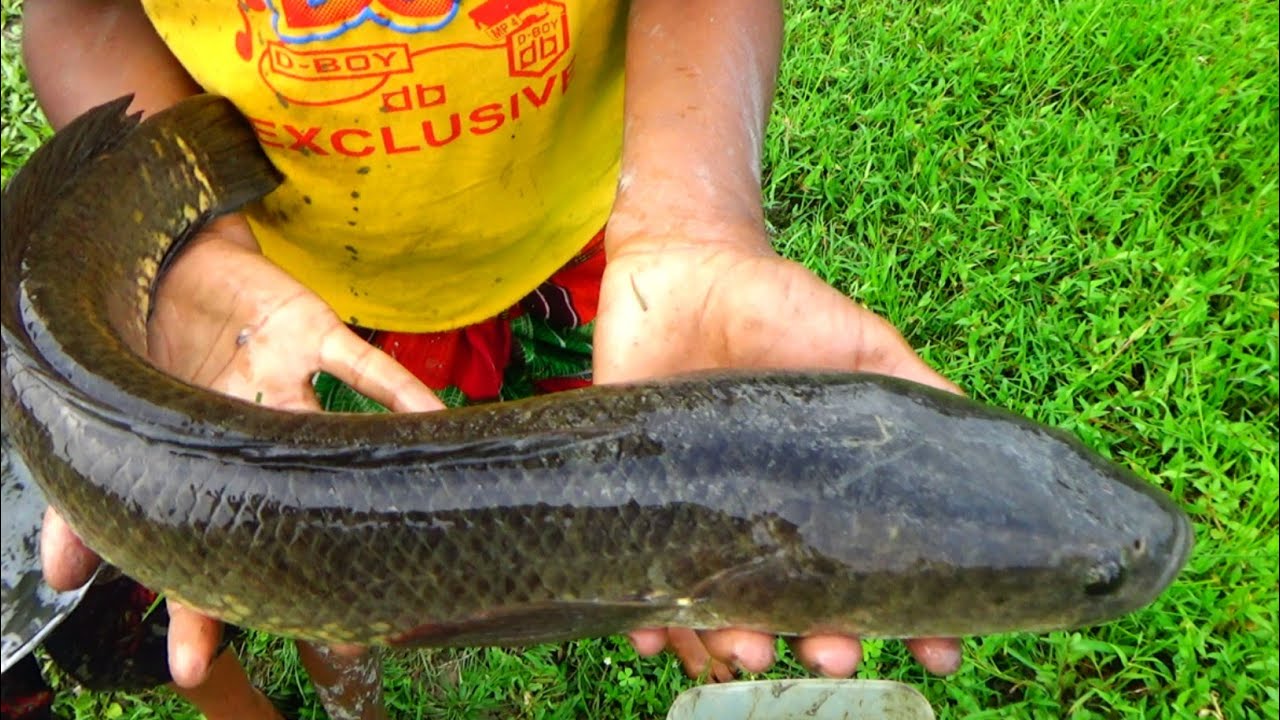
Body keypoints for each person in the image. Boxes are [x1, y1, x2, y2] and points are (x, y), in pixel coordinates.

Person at [20, 0, 965, 718]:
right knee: (334, 576)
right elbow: (84, 15)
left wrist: (695, 213)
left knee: (608, 450)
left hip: (586, 244)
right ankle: (351, 682)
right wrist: (196, 243)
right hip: (293, 304)